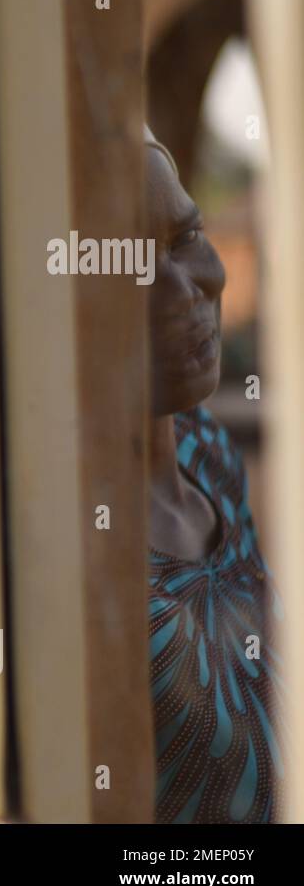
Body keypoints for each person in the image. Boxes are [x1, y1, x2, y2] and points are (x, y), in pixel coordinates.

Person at [144, 125, 281, 822]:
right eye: (129, 268)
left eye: (185, 237)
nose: (182, 289)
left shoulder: (208, 455)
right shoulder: (52, 553)